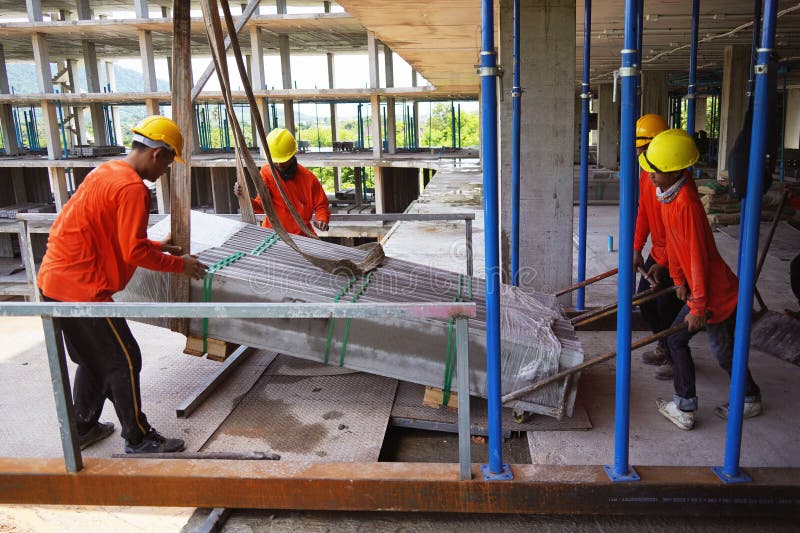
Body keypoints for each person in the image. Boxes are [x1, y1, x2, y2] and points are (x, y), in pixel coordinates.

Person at [37, 115, 208, 453]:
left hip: (56, 281)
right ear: (158, 154)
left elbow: (109, 235)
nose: (165, 172)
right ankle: (138, 437)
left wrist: (159, 247)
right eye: (169, 163)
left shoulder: (107, 172)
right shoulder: (133, 189)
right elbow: (132, 252)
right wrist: (180, 265)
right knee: (123, 359)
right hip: (81, 290)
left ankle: (82, 427)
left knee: (93, 358)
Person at [639, 129, 762, 431]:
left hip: (714, 292)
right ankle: (748, 397)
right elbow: (676, 246)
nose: (650, 175)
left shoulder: (688, 205)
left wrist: (697, 305)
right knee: (722, 351)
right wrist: (670, 272)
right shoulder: (670, 197)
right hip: (701, 289)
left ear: (675, 170)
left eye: (656, 170)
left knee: (679, 339)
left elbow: (696, 256)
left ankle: (686, 405)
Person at [632, 114, 685, 380]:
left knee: (668, 308)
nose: (641, 155)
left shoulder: (674, 184)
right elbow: (643, 212)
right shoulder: (648, 175)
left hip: (676, 256)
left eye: (644, 149)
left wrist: (667, 265)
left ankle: (676, 359)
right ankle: (664, 346)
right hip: (659, 252)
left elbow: (680, 233)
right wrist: (636, 247)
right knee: (645, 302)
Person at [234, 128, 330, 235]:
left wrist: (322, 219)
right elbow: (262, 206)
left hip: (302, 236)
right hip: (273, 235)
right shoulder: (266, 173)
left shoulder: (308, 178)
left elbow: (321, 205)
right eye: (275, 161)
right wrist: (244, 197)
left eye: (283, 161)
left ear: (292, 155)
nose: (279, 165)